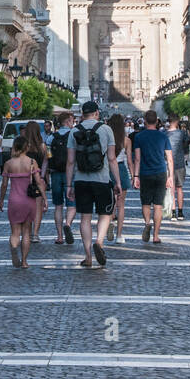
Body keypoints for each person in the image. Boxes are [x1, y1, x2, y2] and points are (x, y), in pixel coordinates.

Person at [65, 101, 121, 268]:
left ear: (82, 114)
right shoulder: (106, 129)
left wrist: (69, 185)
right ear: (97, 113)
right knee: (104, 214)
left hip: (81, 180)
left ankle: (88, 256)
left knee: (85, 217)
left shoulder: (74, 131)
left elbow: (70, 161)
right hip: (102, 179)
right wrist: (117, 181)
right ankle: (99, 242)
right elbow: (111, 159)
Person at [0, 134, 46, 268]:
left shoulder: (8, 163)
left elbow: (3, 185)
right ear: (27, 147)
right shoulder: (32, 162)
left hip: (14, 200)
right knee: (26, 231)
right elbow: (38, 182)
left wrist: (1, 200)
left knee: (15, 232)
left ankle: (14, 247)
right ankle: (24, 261)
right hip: (28, 201)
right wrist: (44, 198)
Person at [132, 110, 174, 244]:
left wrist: (135, 176)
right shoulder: (163, 137)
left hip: (145, 173)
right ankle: (156, 235)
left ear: (144, 120)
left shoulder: (139, 137)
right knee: (158, 205)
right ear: (157, 121)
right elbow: (170, 158)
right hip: (161, 172)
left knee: (145, 203)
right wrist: (170, 176)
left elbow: (137, 159)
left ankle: (147, 223)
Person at [48, 110, 76, 245]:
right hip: (71, 173)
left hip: (55, 173)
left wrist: (43, 174)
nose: (73, 123)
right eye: (72, 121)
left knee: (58, 206)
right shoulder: (74, 135)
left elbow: (47, 157)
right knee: (72, 204)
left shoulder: (51, 137)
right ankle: (68, 224)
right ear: (67, 122)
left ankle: (59, 236)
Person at [106, 113, 133, 243]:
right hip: (121, 169)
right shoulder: (126, 140)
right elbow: (129, 160)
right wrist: (134, 175)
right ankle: (119, 235)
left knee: (110, 202)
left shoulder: (106, 138)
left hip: (108, 169)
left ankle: (110, 221)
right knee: (121, 205)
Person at [21, 120, 49, 241]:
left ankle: (27, 232)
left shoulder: (22, 146)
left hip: (24, 178)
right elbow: (47, 161)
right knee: (38, 207)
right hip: (39, 178)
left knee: (26, 206)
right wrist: (43, 176)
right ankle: (35, 234)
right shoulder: (43, 146)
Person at [165, 116, 187, 220]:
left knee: (171, 189)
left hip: (168, 164)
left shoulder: (164, 134)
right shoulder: (182, 133)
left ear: (168, 122)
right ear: (177, 122)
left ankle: (173, 212)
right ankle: (181, 212)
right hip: (179, 163)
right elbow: (186, 146)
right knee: (179, 188)